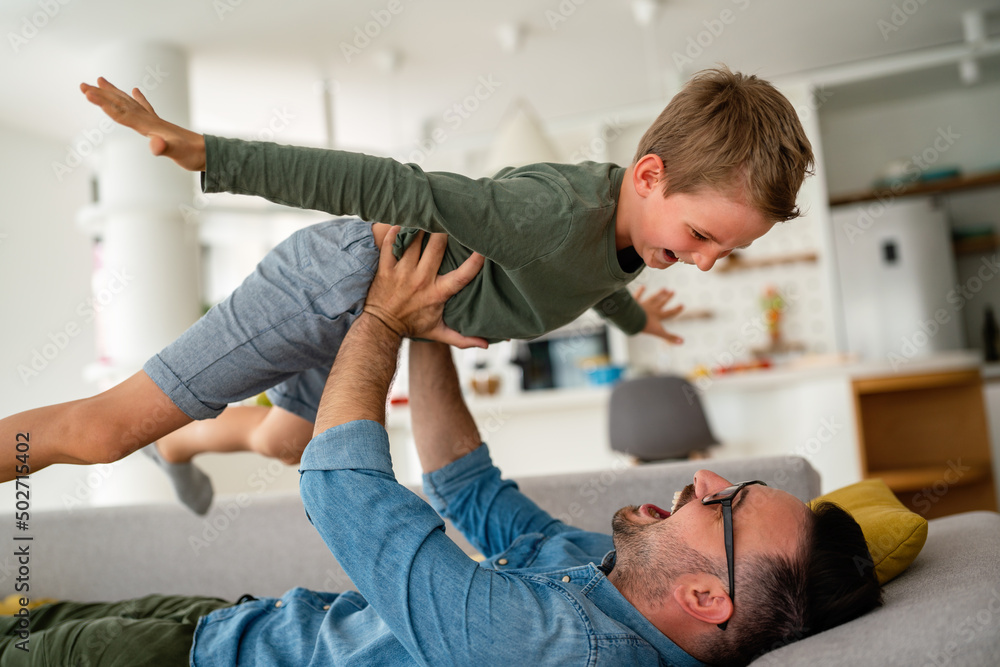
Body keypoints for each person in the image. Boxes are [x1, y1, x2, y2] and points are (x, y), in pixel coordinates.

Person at [0, 228, 881, 667]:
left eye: (727, 504)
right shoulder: (612, 581)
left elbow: (344, 492)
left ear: (706, 596)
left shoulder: (559, 648)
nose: (708, 476)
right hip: (236, 621)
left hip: (202, 660)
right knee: (34, 609)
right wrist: (433, 327)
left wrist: (384, 316)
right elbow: (468, 486)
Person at [0, 65, 814, 514]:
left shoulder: (630, 236)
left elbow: (595, 281)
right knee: (101, 432)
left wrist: (637, 321)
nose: (707, 261)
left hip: (373, 316)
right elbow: (393, 185)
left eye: (727, 250)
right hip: (337, 282)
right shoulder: (549, 214)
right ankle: (148, 436)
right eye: (703, 236)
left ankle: (176, 443)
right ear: (650, 174)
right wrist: (213, 154)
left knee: (287, 441)